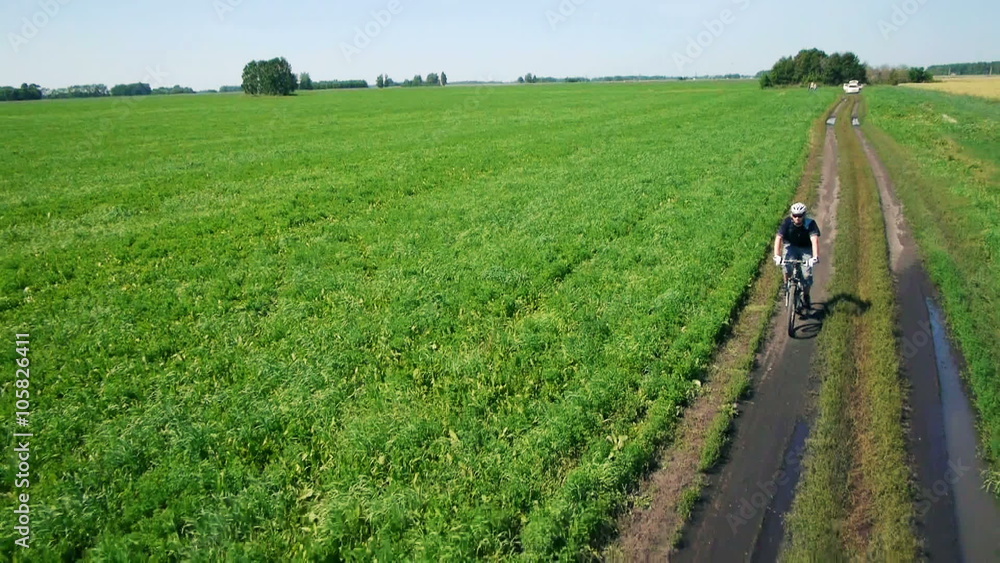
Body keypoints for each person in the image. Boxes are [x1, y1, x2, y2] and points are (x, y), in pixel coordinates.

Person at [773, 202, 820, 308]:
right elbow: (778, 238)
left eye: (800, 215)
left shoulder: (810, 223)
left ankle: (806, 296)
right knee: (786, 267)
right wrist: (777, 255)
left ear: (804, 215)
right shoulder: (787, 223)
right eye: (795, 215)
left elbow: (814, 240)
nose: (797, 218)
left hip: (806, 248)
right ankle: (786, 285)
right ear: (791, 215)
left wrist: (815, 257)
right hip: (791, 246)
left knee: (807, 276)